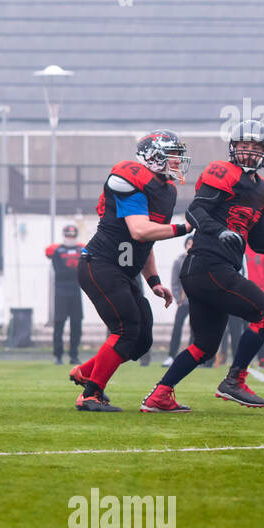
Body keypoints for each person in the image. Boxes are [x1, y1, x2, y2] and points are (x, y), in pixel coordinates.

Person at [142, 121, 264, 412]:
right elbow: (195, 210)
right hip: (208, 265)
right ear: (233, 149)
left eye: (255, 148)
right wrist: (219, 231)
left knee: (204, 346)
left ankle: (160, 395)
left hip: (209, 272)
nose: (249, 152)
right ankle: (234, 381)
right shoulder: (223, 171)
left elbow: (259, 242)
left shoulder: (261, 189)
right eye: (244, 146)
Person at [70, 130, 191, 411]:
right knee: (126, 330)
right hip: (100, 265)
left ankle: (86, 372)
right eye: (171, 154)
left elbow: (147, 240)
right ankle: (91, 394)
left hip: (124, 272)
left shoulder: (167, 191)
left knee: (141, 339)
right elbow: (139, 231)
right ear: (152, 156)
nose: (176, 161)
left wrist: (154, 280)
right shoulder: (129, 177)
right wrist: (185, 228)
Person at [45, 224, 84, 364]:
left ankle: (74, 354)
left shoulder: (81, 249)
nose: (70, 238)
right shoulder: (57, 250)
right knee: (59, 323)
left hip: (75, 291)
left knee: (76, 324)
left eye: (72, 236)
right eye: (68, 235)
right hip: (61, 291)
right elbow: (61, 271)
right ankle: (58, 354)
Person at [162, 235, 193, 367]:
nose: (191, 246)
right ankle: (171, 356)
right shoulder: (179, 261)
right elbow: (175, 282)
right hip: (183, 301)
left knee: (195, 329)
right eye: (189, 244)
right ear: (185, 245)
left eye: (193, 244)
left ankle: (192, 357)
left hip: (197, 301)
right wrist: (178, 298)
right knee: (177, 327)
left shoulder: (200, 260)